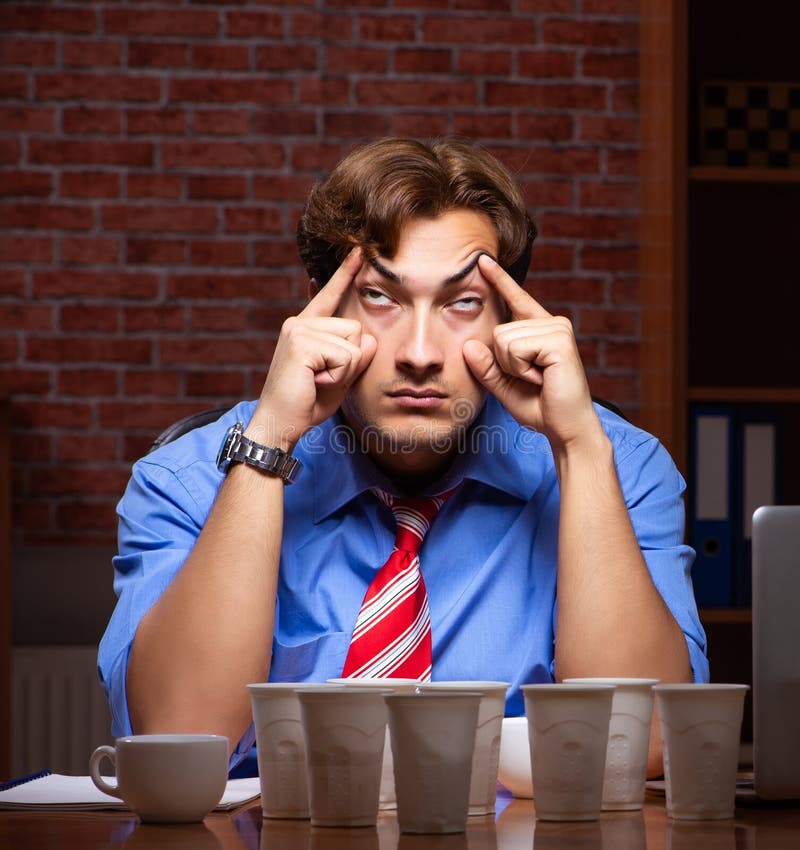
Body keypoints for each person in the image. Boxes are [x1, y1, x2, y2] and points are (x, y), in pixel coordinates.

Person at [98, 138, 708, 776]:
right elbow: (179, 738)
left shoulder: (619, 468)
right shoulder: (187, 481)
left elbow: (647, 746)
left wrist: (579, 451)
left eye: (463, 302)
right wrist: (269, 439)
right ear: (322, 307)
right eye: (381, 298)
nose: (421, 352)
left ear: (508, 318)